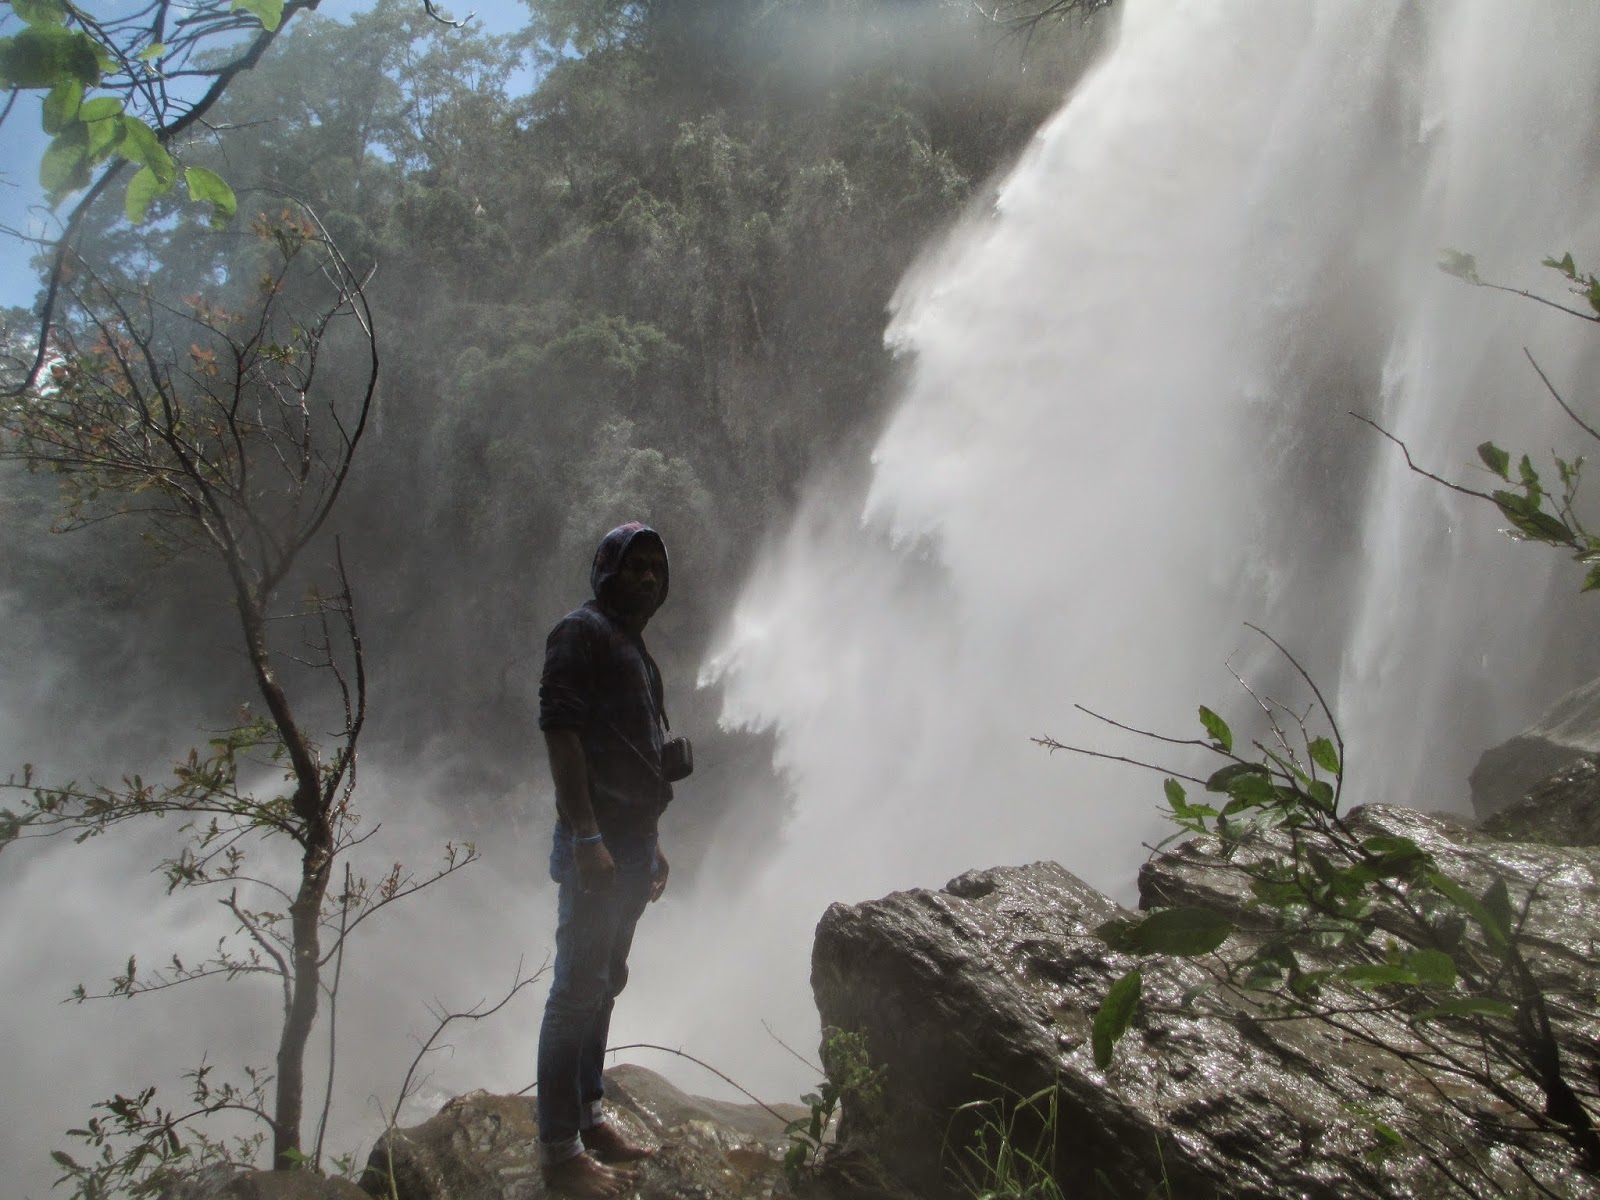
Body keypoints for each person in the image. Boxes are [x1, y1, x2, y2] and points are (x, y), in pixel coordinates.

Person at [535, 522, 676, 1198]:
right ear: (606, 570)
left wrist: (653, 843)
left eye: (657, 568)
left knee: (607, 981)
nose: (648, 577)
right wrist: (586, 836)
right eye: (635, 565)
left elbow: (633, 747)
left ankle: (591, 1117)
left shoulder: (634, 648)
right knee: (574, 992)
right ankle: (558, 1150)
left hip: (634, 842)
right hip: (597, 844)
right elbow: (562, 734)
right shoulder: (580, 632)